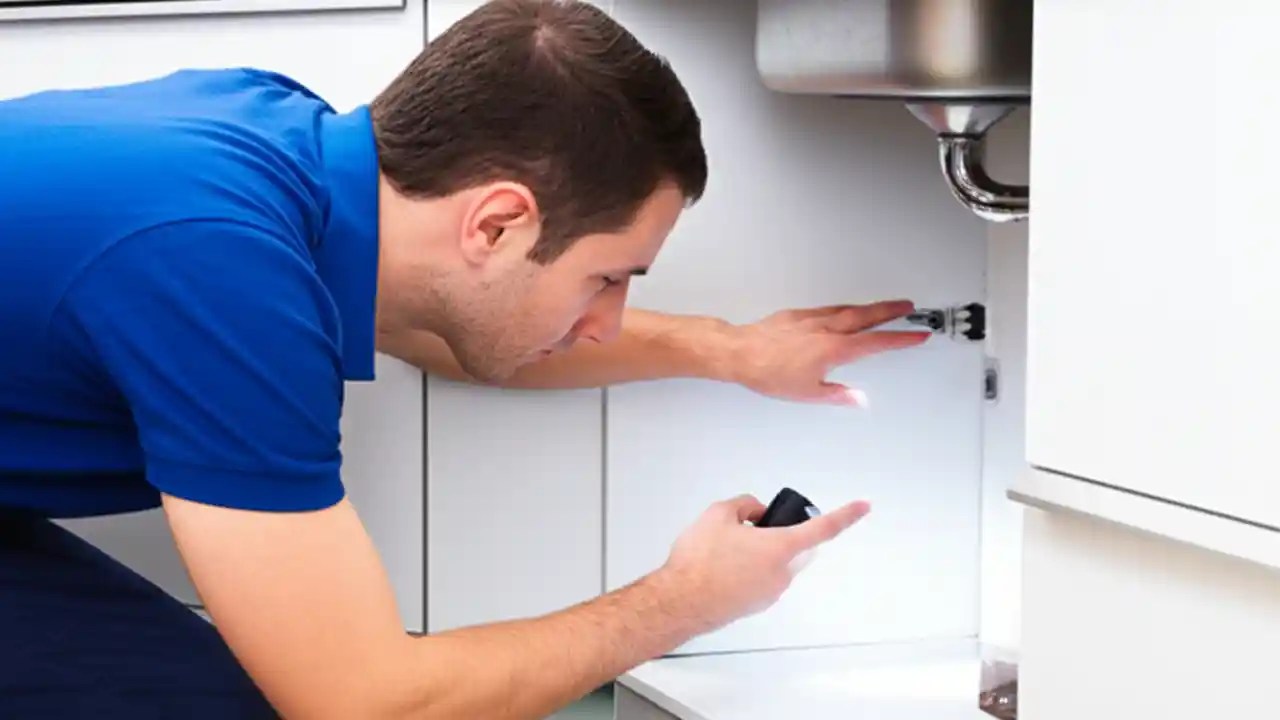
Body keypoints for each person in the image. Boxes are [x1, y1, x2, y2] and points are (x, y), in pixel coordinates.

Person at [0, 1, 930, 718]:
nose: (605, 320)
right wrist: (684, 602)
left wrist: (734, 352)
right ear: (495, 222)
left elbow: (447, 331)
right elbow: (363, 701)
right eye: (606, 277)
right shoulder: (220, 270)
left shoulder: (288, 151)